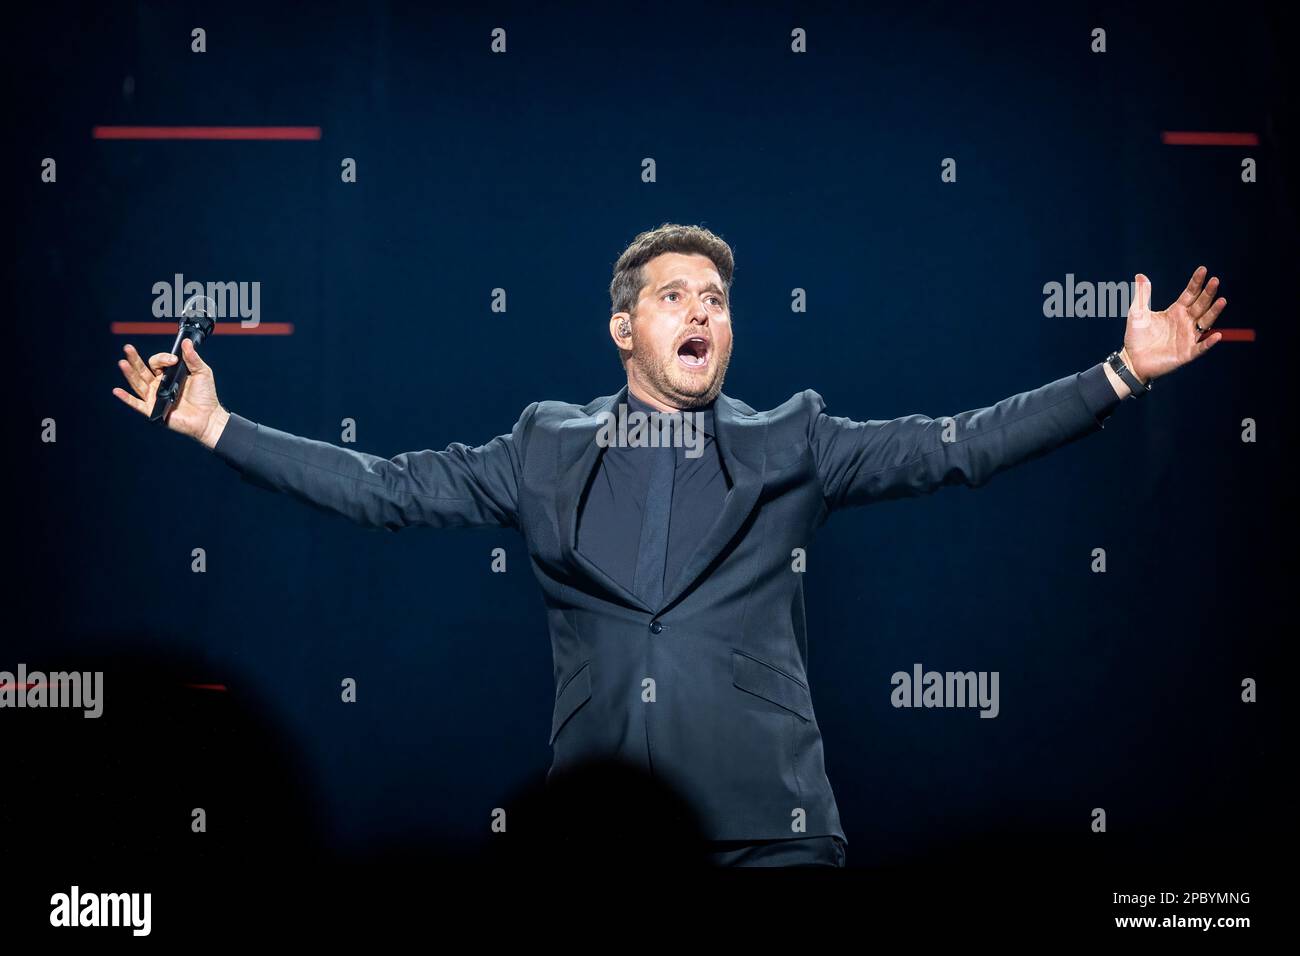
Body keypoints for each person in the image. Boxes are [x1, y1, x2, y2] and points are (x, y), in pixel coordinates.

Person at [112, 223, 1226, 867]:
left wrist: (1118, 374)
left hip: (769, 838)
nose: (705, 310)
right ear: (624, 327)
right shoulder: (542, 444)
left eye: (720, 298)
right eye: (677, 295)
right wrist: (217, 425)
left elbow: (956, 445)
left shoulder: (794, 438)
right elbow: (386, 488)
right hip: (600, 850)